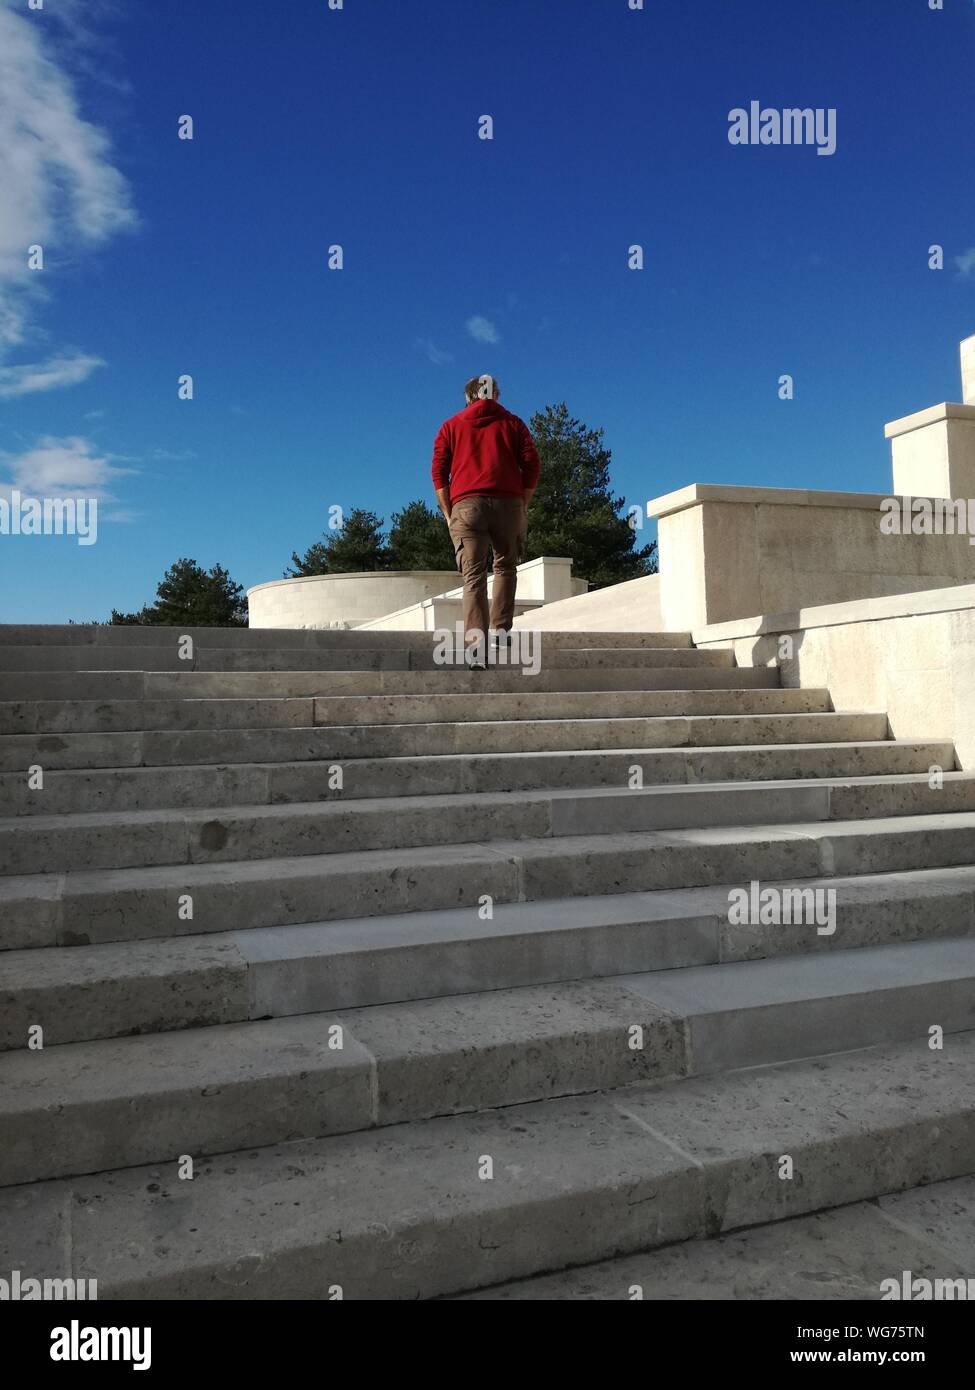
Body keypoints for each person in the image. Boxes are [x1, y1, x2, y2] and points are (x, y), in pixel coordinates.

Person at [431, 374, 540, 665]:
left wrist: (447, 511)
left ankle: (476, 647)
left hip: (467, 506)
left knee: (473, 577)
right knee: (505, 566)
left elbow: (439, 473)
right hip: (509, 503)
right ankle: (501, 631)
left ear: (468, 397)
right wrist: (523, 501)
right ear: (496, 395)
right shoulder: (514, 424)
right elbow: (532, 463)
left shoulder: (450, 427)